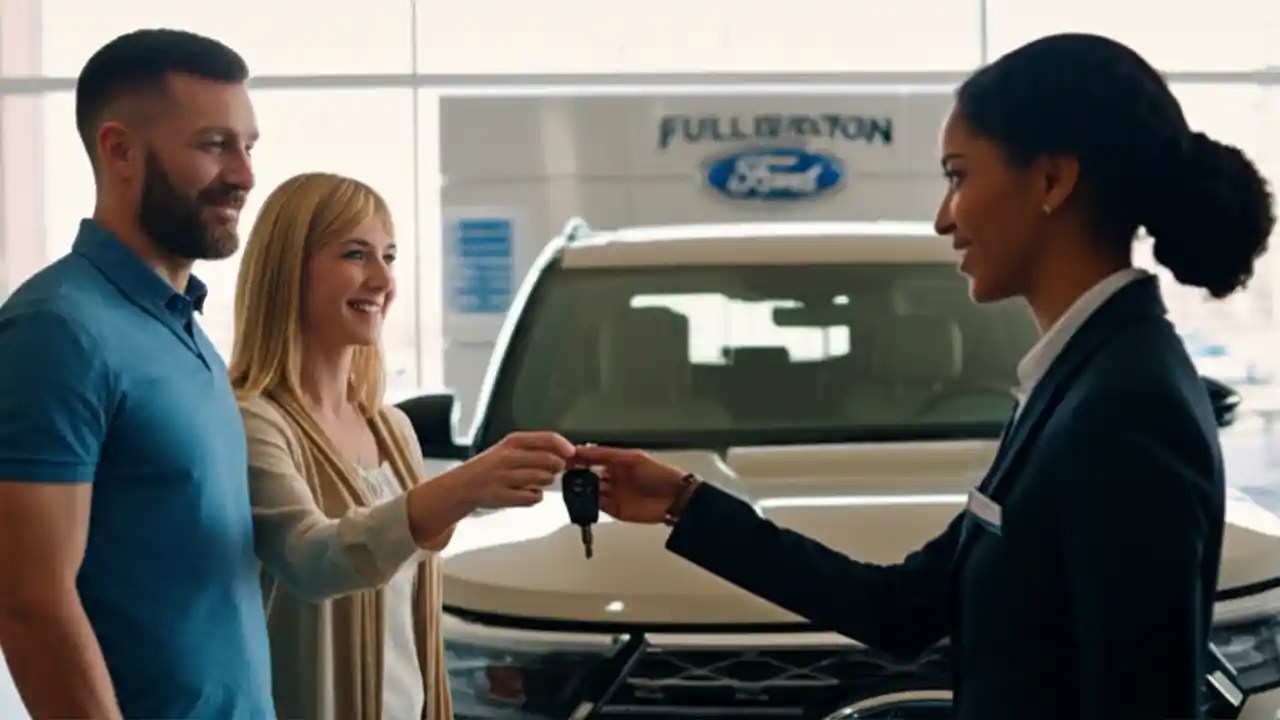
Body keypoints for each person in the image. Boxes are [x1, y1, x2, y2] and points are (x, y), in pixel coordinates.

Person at [574, 32, 1275, 720]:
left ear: (1052, 180)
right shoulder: (1079, 380)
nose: (944, 217)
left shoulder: (1124, 406)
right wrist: (683, 502)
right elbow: (902, 608)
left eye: (959, 174)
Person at [228, 171, 575, 720]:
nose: (381, 280)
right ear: (288, 270)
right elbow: (312, 559)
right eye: (355, 254)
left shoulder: (392, 429)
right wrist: (462, 487)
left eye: (388, 257)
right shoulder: (252, 422)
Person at [0, 29, 275, 720]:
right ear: (119, 150)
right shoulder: (57, 329)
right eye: (215, 145)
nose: (243, 174)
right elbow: (28, 601)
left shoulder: (182, 325)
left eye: (248, 146)